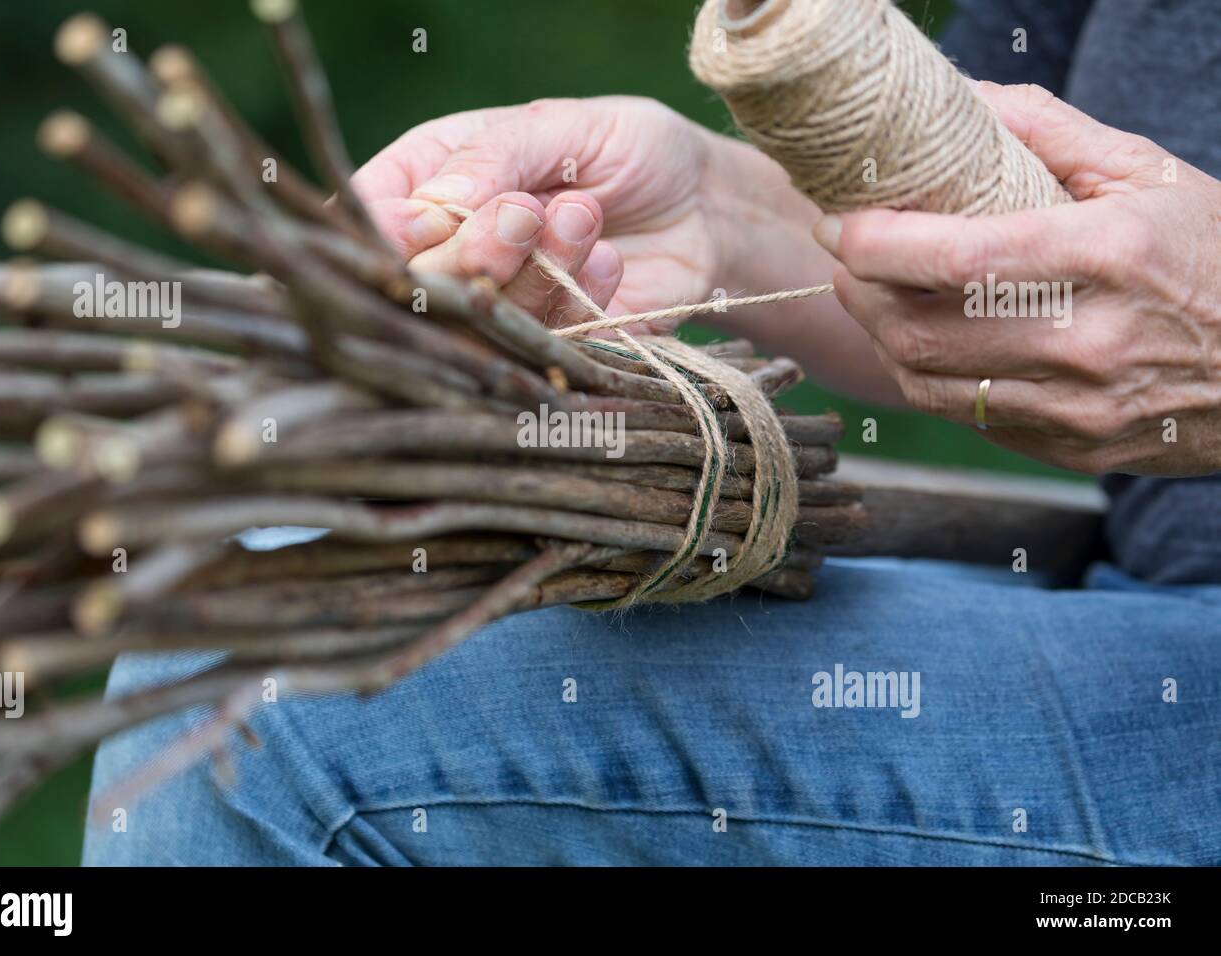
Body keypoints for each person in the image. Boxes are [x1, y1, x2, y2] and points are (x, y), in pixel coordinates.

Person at [84, 0, 1220, 865]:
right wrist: (718, 214)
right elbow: (1025, 278)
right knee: (275, 590)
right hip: (1138, 609)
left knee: (280, 702)